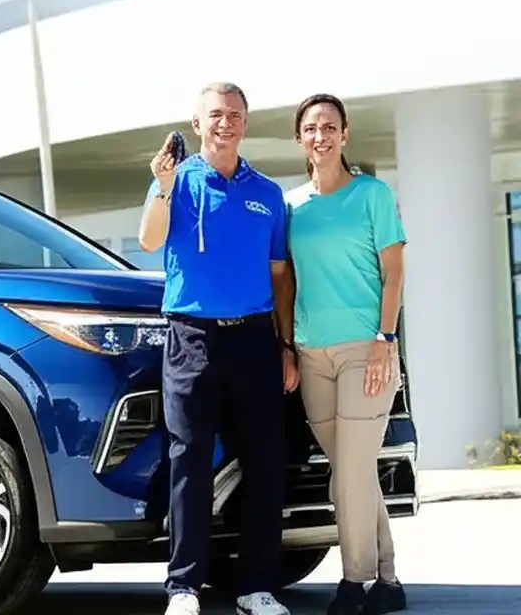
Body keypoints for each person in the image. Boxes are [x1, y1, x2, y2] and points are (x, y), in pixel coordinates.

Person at [139, 82, 298, 615]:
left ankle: (257, 587)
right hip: (191, 338)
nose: (225, 123)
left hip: (254, 338)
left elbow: (280, 277)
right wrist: (161, 186)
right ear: (197, 122)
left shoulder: (268, 194)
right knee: (189, 462)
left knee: (263, 461)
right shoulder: (174, 180)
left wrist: (286, 345)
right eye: (215, 115)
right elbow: (147, 240)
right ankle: (183, 586)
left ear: (245, 123)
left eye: (234, 115)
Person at [284, 93, 407, 615]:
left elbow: (394, 271)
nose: (320, 136)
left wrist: (386, 338)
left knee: (350, 473)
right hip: (313, 354)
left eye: (330, 126)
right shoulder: (290, 207)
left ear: (344, 134)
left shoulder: (372, 195)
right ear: (300, 139)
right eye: (311, 128)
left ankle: (354, 582)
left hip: (366, 351)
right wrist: (287, 345)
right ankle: (390, 579)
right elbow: (285, 280)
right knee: (351, 470)